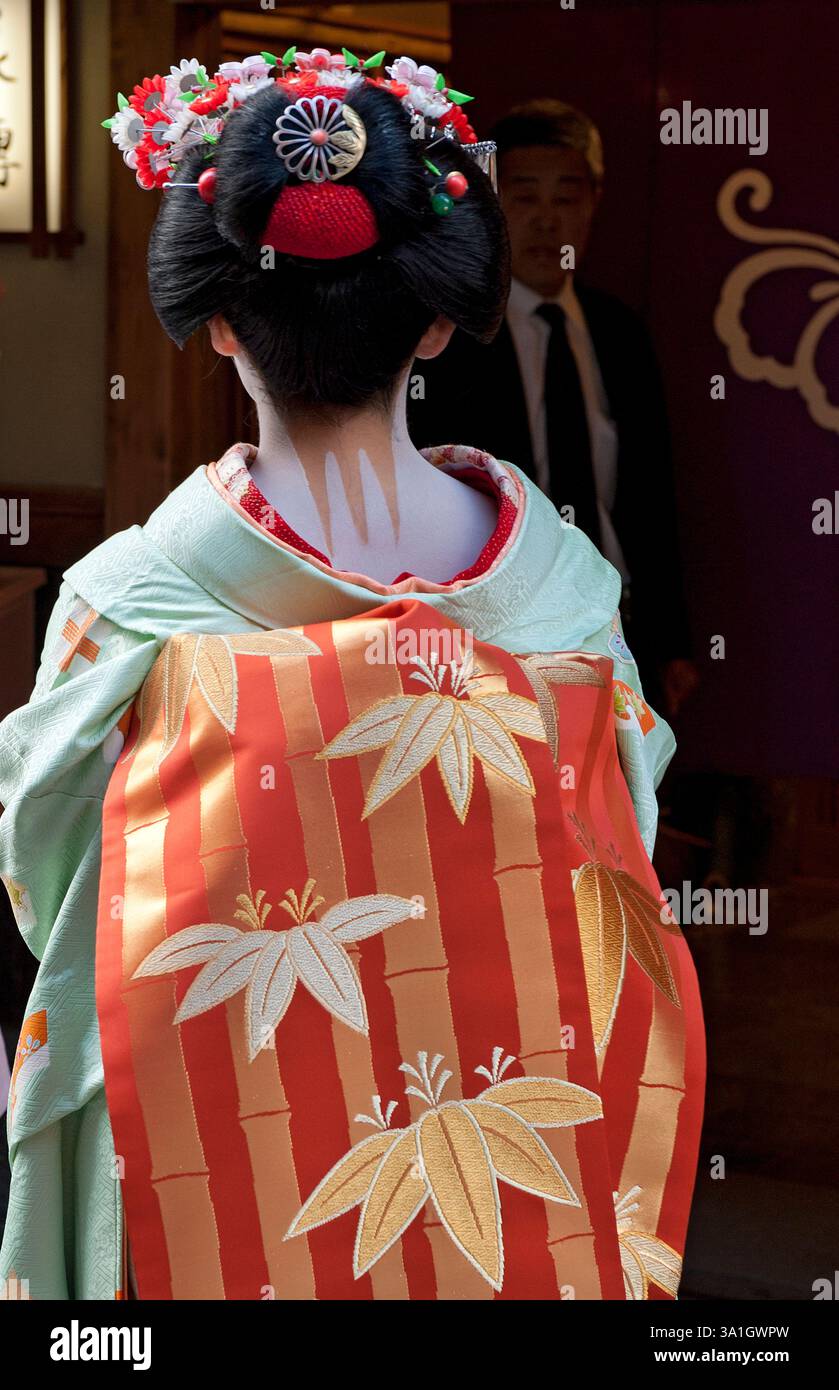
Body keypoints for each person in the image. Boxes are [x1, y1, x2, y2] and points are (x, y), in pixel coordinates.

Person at [0, 48, 704, 1300]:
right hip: (509, 1122)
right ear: (438, 320)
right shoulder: (563, 595)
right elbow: (621, 859)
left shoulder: (131, 603)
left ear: (216, 320)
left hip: (200, 1129)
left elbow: (50, 873)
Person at [408, 99, 699, 720]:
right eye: (524, 196)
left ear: (593, 202)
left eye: (566, 197)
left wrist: (673, 642)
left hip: (617, 618)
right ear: (491, 203)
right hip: (500, 624)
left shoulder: (620, 333)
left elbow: (652, 493)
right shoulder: (450, 338)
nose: (546, 221)